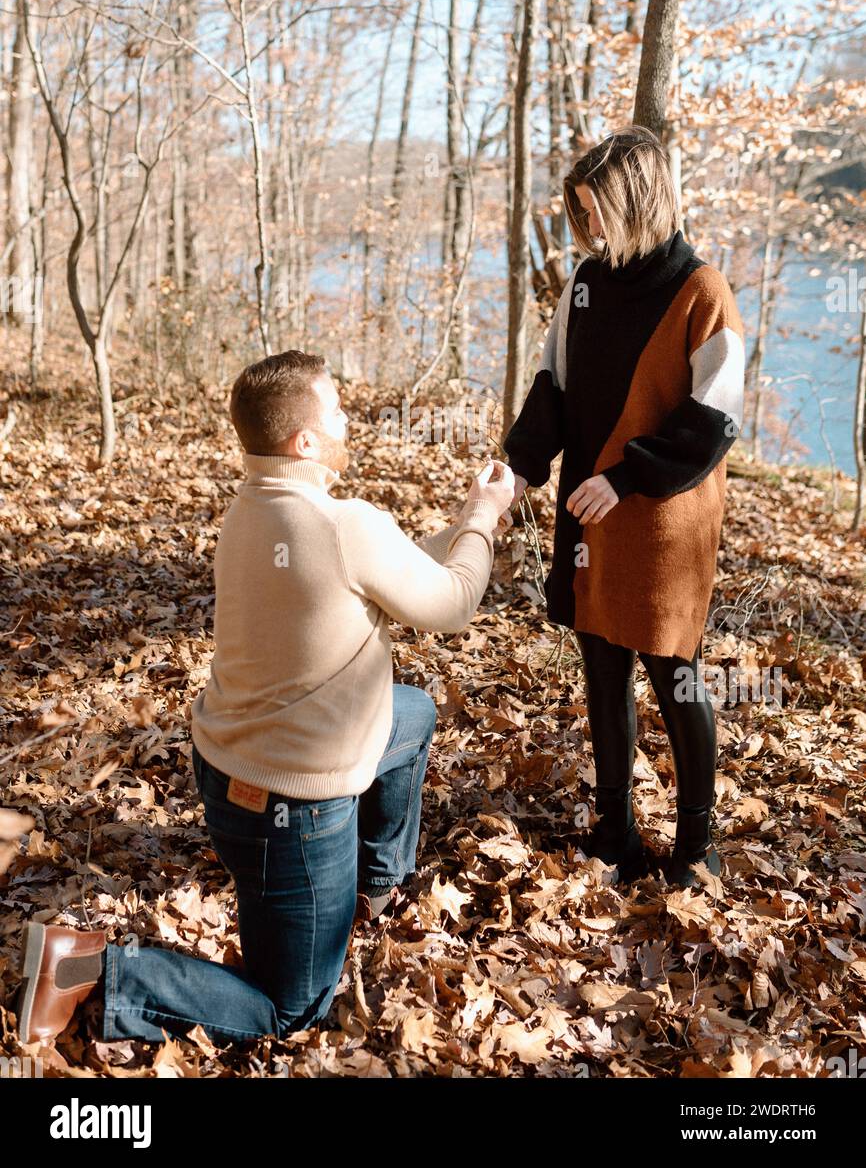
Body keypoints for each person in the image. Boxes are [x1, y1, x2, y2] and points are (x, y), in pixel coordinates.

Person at [17, 352, 514, 1046]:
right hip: (293, 809)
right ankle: (95, 969)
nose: (349, 417)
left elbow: (391, 567)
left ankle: (375, 884)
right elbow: (454, 602)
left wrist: (462, 517)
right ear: (304, 442)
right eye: (335, 408)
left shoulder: (249, 510)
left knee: (415, 713)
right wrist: (485, 521)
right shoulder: (345, 526)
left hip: (229, 771)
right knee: (292, 1010)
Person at [504, 126, 745, 888]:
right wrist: (517, 468)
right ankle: (617, 834)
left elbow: (712, 420)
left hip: (665, 521)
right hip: (587, 511)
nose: (590, 227)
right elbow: (554, 386)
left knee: (677, 681)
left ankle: (697, 847)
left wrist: (627, 479)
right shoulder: (585, 282)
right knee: (602, 675)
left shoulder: (702, 291)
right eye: (580, 213)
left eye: (597, 210)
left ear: (637, 198)